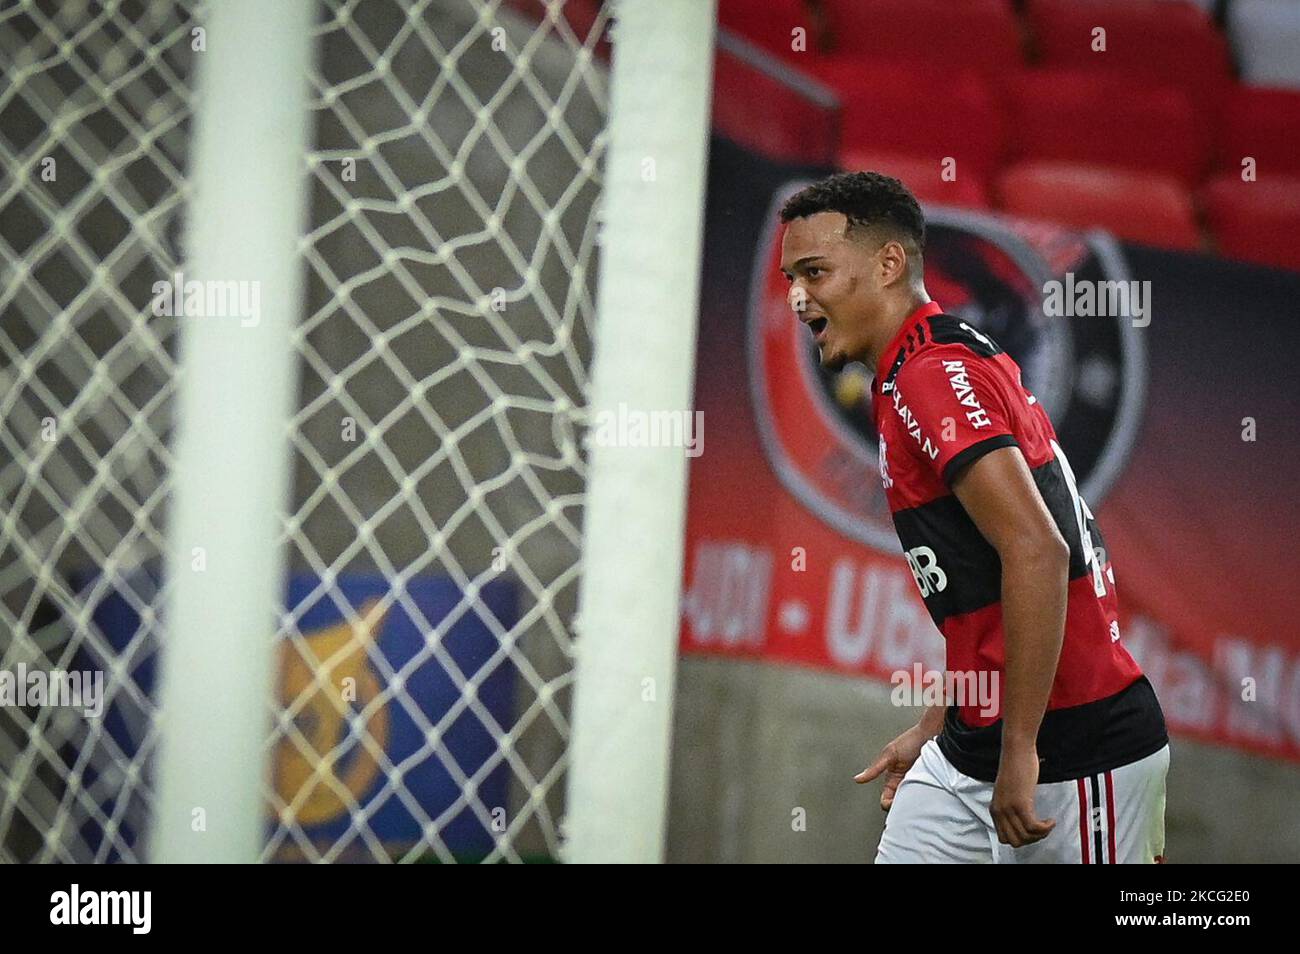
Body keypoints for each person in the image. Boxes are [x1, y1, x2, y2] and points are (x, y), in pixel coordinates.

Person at [778, 171, 1169, 863]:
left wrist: (1021, 749)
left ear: (889, 263)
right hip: (966, 751)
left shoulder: (932, 376)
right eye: (791, 277)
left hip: (1074, 748)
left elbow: (1036, 552)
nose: (799, 296)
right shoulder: (914, 370)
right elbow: (984, 589)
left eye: (815, 271)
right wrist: (940, 723)